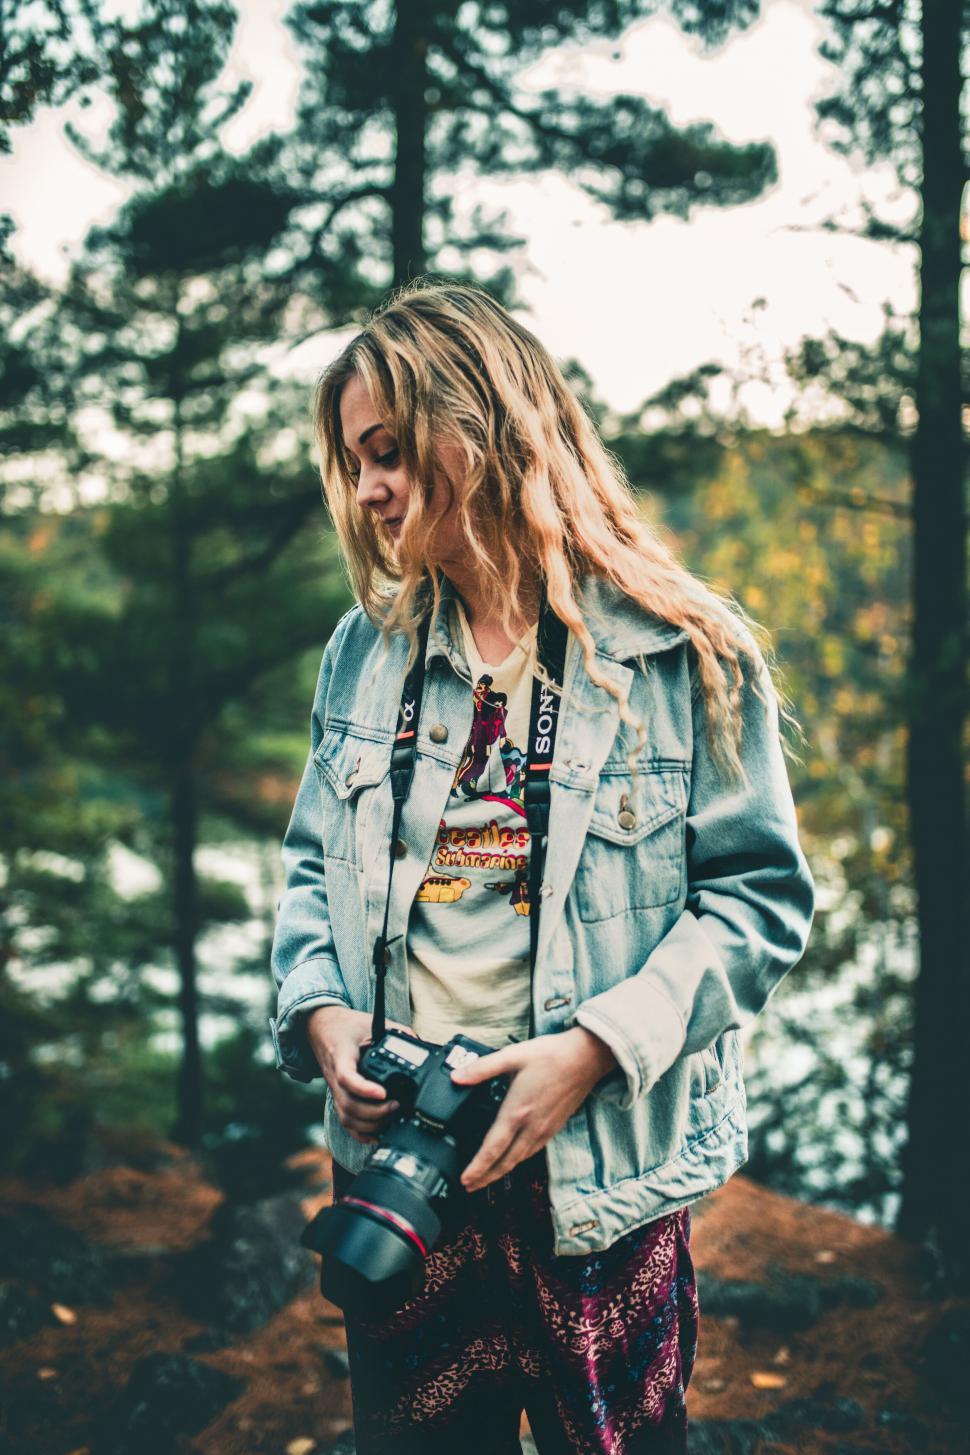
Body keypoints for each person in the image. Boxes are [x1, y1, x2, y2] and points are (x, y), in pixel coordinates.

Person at [268, 279, 816, 1454]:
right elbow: (312, 869)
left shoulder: (682, 652)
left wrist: (593, 1051)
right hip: (402, 1169)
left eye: (387, 453)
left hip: (598, 1175)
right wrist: (319, 1011)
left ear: (478, 432)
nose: (366, 490)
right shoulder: (361, 654)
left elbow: (757, 903)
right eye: (354, 463)